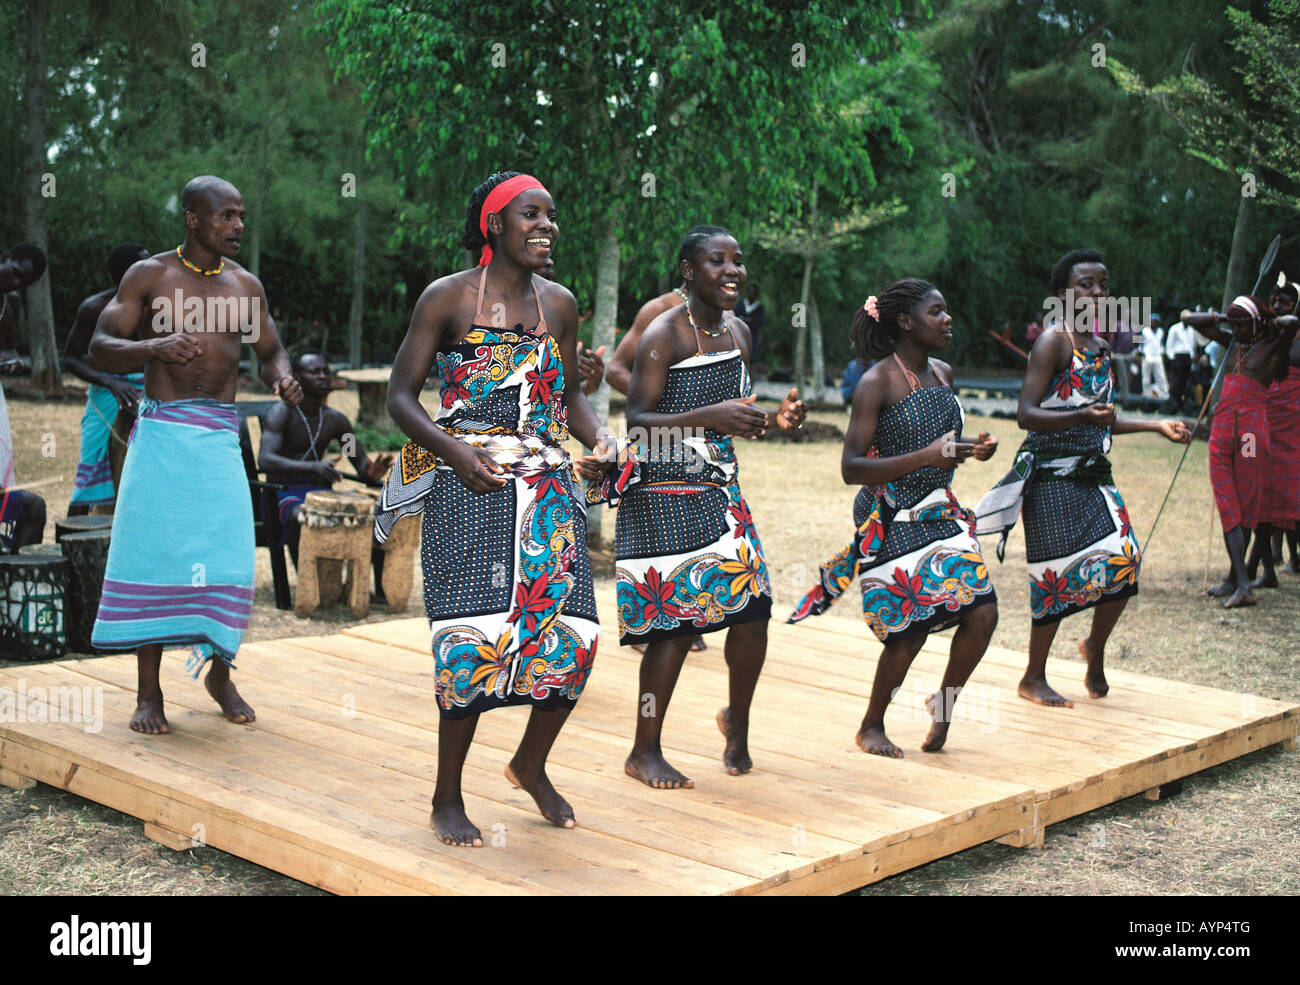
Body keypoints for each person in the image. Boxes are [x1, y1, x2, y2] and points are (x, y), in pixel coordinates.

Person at [375, 171, 614, 846]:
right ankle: (445, 795)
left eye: (552, 215)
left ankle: (529, 762)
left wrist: (603, 442)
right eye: (530, 215)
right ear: (494, 225)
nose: (547, 226)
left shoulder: (560, 304)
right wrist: (452, 452)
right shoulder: (447, 299)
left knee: (574, 638)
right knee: (471, 639)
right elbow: (400, 396)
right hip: (469, 483)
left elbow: (566, 402)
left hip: (546, 491)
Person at [88, 175, 303, 734]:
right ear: (192, 218)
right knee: (156, 556)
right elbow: (99, 347)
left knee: (228, 556)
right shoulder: (150, 275)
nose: (237, 226)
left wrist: (283, 378)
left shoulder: (244, 286)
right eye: (226, 216)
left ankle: (218, 672)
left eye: (241, 216)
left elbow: (272, 350)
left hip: (217, 438)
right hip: (162, 436)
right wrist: (151, 346)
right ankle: (148, 692)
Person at [611, 225, 805, 790]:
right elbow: (639, 425)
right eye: (717, 261)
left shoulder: (739, 330)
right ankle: (644, 750)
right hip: (662, 495)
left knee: (754, 611)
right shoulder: (663, 334)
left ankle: (736, 721)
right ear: (689, 272)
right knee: (672, 628)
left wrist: (771, 421)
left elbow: (736, 415)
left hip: (721, 495)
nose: (732, 271)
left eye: (738, 261)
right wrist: (711, 419)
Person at [788, 280, 999, 757]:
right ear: (905, 321)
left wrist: (972, 450)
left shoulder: (943, 373)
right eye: (936, 311)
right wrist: (926, 456)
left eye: (947, 311)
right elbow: (852, 468)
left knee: (982, 613)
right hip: (891, 515)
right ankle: (871, 726)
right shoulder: (876, 381)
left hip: (938, 511)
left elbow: (944, 448)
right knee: (911, 627)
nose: (948, 320)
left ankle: (943, 703)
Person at [975, 249, 1190, 706]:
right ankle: (1033, 676)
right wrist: (1079, 416)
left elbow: (1102, 418)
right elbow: (1025, 415)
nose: (1096, 292)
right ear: (1062, 293)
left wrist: (1156, 426)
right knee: (1054, 576)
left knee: (1126, 562)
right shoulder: (1053, 341)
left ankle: (1095, 647)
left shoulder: (1100, 345)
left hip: (1094, 474)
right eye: (1085, 284)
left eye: (1103, 285)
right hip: (1050, 475)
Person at [1182, 298, 1299, 605]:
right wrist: (1229, 315)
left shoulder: (1273, 347)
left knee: (1244, 504)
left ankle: (1242, 583)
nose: (1234, 328)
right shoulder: (1235, 341)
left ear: (1258, 322)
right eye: (1232, 323)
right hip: (1222, 429)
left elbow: (1292, 324)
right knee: (1227, 502)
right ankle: (1236, 579)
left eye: (1241, 322)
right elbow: (1190, 319)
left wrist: (1266, 319)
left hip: (1249, 433)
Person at [257, 351, 393, 567]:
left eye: (326, 372)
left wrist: (371, 472)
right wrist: (314, 467)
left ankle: (375, 591)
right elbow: (265, 460)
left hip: (321, 494)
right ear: (297, 378)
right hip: (282, 493)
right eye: (315, 372)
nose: (323, 377)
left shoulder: (337, 421)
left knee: (378, 513)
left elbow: (358, 462)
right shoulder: (281, 413)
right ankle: (307, 584)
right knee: (298, 514)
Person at [62, 243, 150, 514]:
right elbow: (70, 359)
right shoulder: (95, 307)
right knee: (91, 471)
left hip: (150, 396)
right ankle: (68, 545)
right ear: (128, 274)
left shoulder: (162, 308)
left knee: (144, 474)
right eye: (145, 266)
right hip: (107, 395)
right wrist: (111, 383)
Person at [0, 244, 51, 553]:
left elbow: (7, 348)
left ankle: (15, 589)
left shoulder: (11, 303)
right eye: (15, 273)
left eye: (24, 282)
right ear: (4, 257)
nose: (16, 283)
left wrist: (11, 360)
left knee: (21, 500)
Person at [1164, 312, 1198, 414]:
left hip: (1187, 356)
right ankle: (1174, 405)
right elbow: (1169, 344)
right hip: (1178, 356)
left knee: (1186, 383)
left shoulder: (1192, 330)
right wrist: (1171, 357)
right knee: (1176, 382)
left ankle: (1183, 406)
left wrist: (1192, 356)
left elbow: (1193, 344)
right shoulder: (1175, 328)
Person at [1139, 314, 1169, 400]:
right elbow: (1140, 345)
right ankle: (1147, 395)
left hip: (1157, 356)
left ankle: (1164, 395)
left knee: (1161, 376)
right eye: (1153, 321)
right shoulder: (1144, 331)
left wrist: (1162, 351)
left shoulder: (1160, 331)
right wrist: (1141, 354)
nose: (1154, 323)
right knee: (1146, 378)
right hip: (1147, 356)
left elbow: (1161, 344)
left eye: (1156, 321)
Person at [734, 283, 764, 362]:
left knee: (751, 357)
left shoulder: (759, 307)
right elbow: (734, 319)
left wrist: (744, 320)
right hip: (739, 335)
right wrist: (748, 320)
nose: (751, 295)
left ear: (756, 295)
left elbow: (758, 323)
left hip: (752, 336)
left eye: (753, 293)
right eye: (750, 293)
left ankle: (751, 373)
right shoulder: (740, 305)